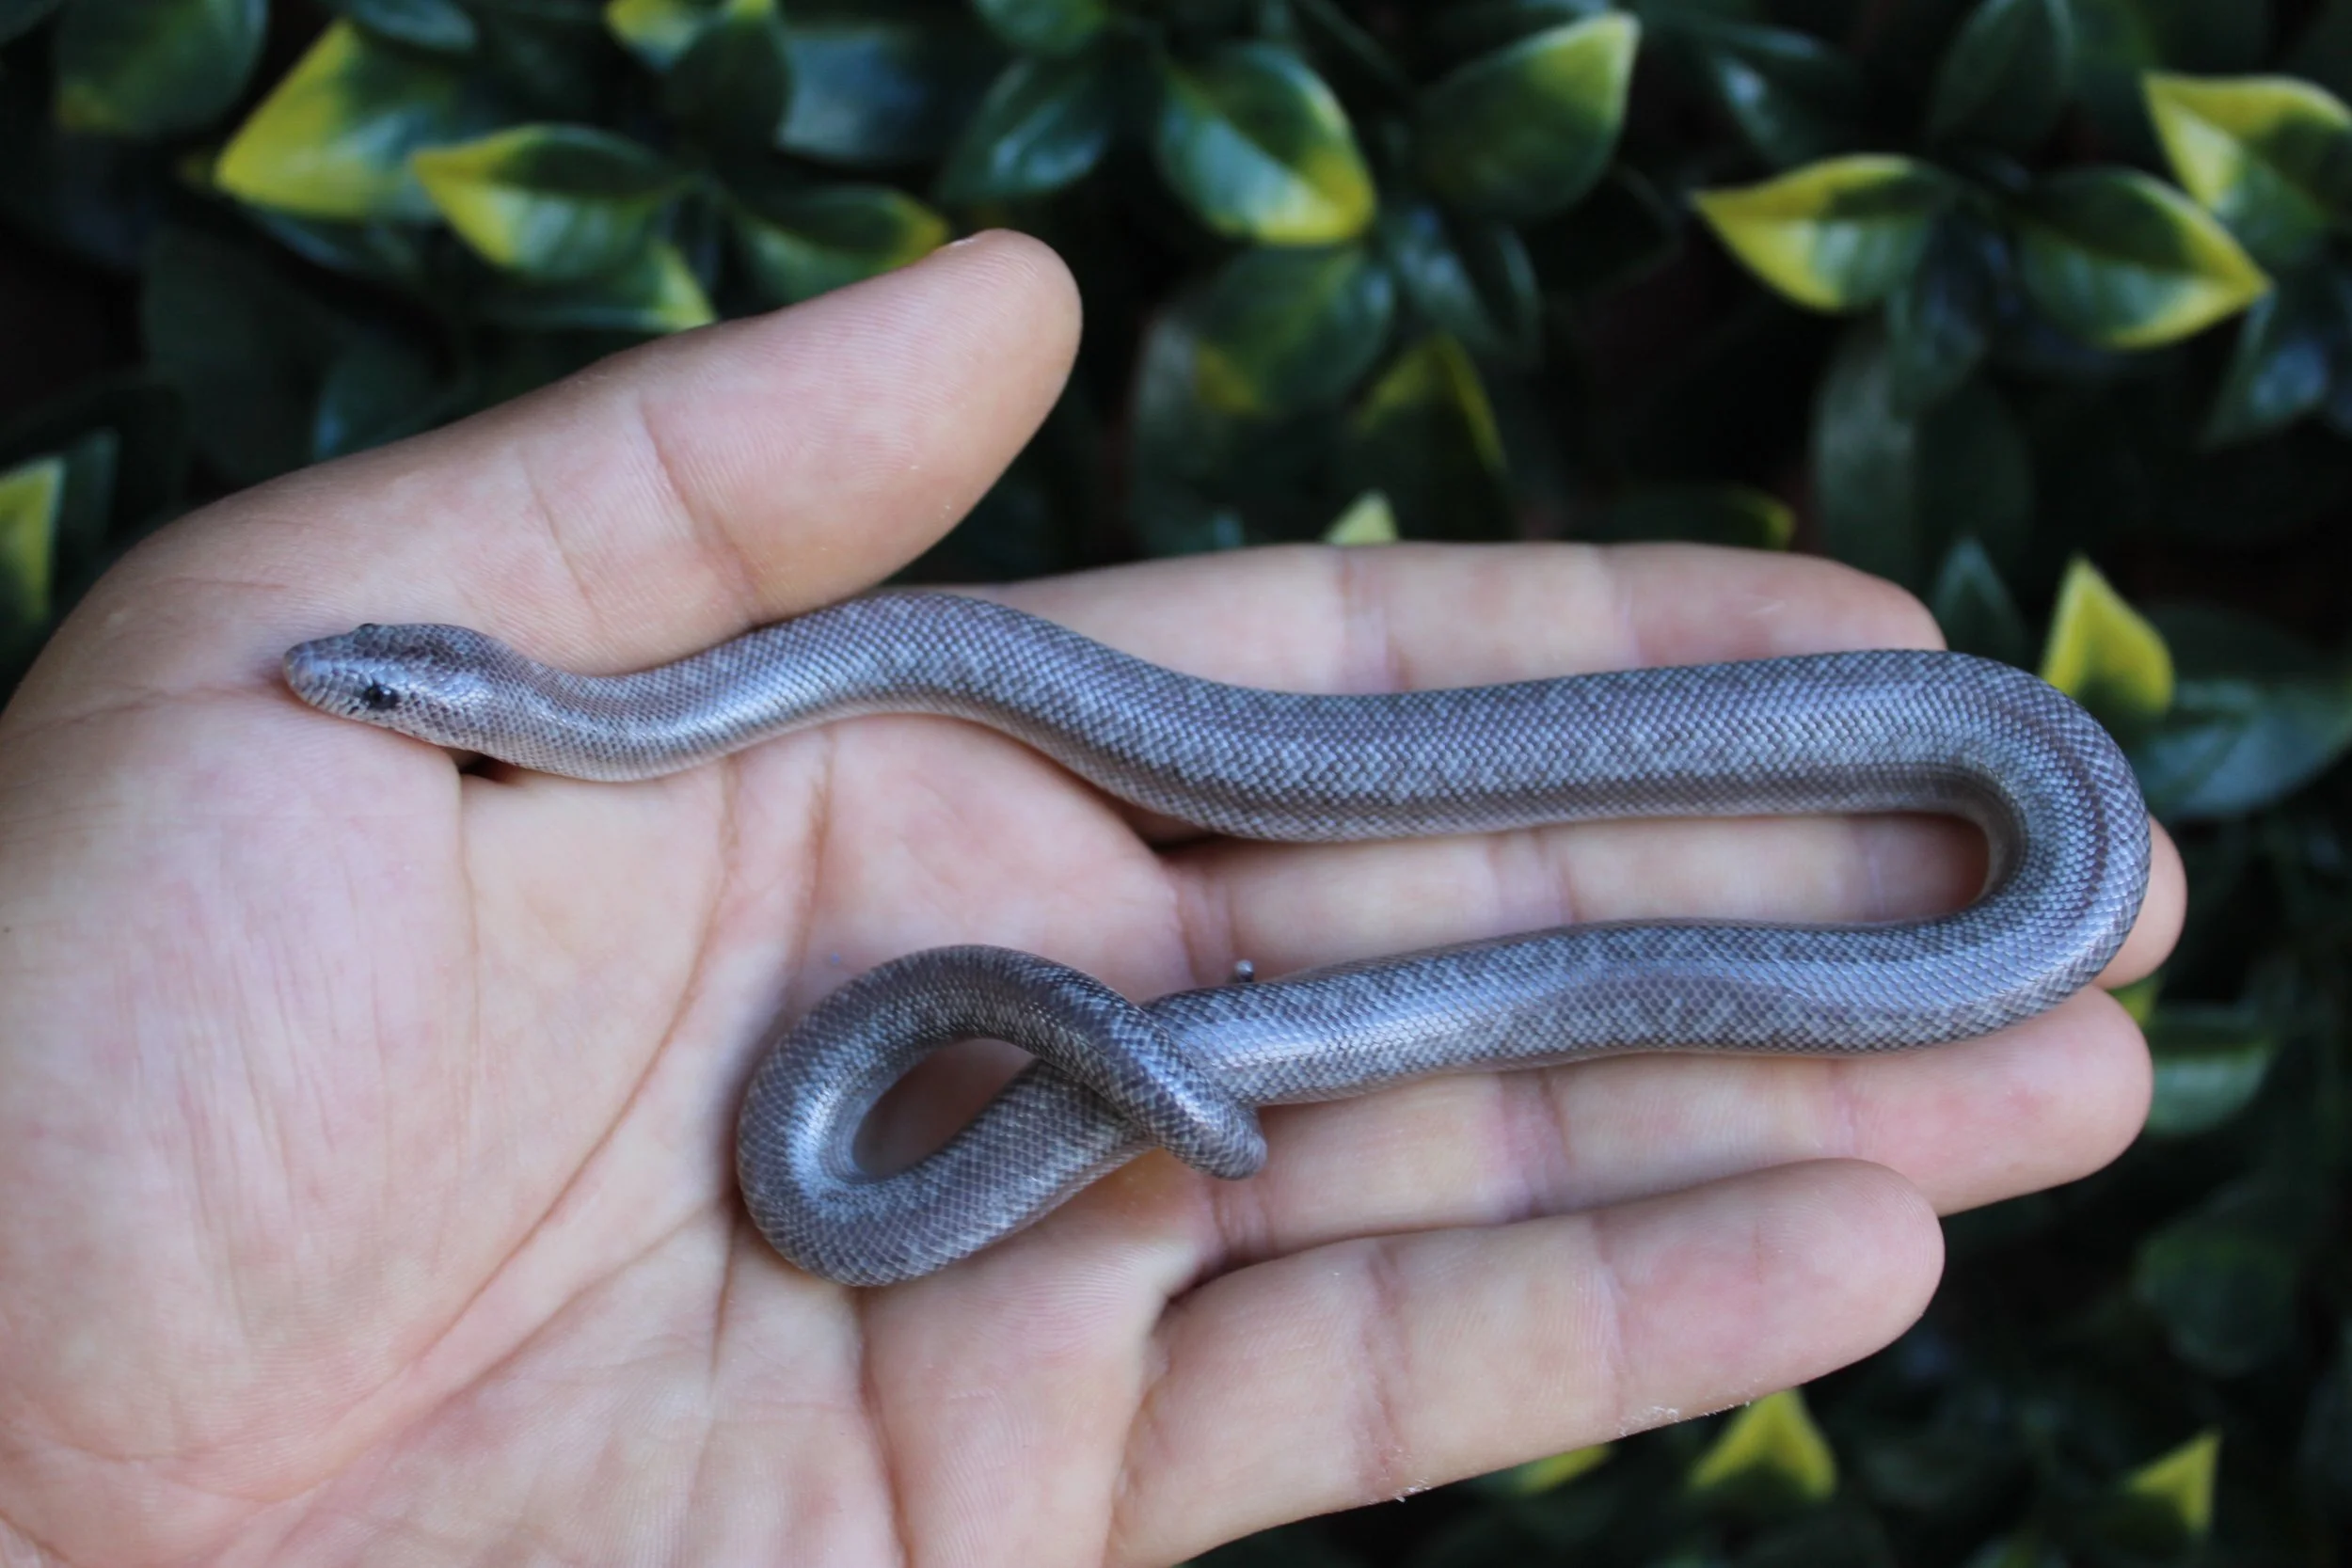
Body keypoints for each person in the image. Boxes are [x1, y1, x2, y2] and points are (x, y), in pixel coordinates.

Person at [0, 232, 2182, 1566]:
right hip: (923, 1131)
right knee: (1331, 997)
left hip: (1930, 840)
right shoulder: (609, 727)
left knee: (1949, 926)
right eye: (382, 689)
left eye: (379, 681)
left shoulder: (634, 712)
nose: (344, 692)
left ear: (456, 686)